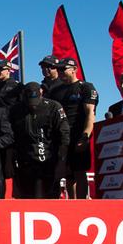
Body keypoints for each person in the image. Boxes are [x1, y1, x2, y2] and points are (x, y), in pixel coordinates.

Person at [9, 82, 70, 199]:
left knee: (49, 198)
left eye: (35, 101)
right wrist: (10, 161)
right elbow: (10, 137)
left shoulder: (54, 107)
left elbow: (64, 136)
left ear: (41, 93)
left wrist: (62, 162)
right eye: (30, 103)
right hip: (24, 163)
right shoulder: (16, 110)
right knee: (26, 199)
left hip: (49, 161)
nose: (33, 105)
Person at [47, 58, 97, 198]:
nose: (60, 72)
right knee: (65, 174)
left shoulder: (86, 87)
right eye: (59, 69)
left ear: (74, 69)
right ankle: (70, 203)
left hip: (77, 135)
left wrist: (85, 135)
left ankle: (80, 203)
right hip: (60, 136)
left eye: (64, 69)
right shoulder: (54, 90)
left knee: (79, 171)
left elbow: (90, 114)